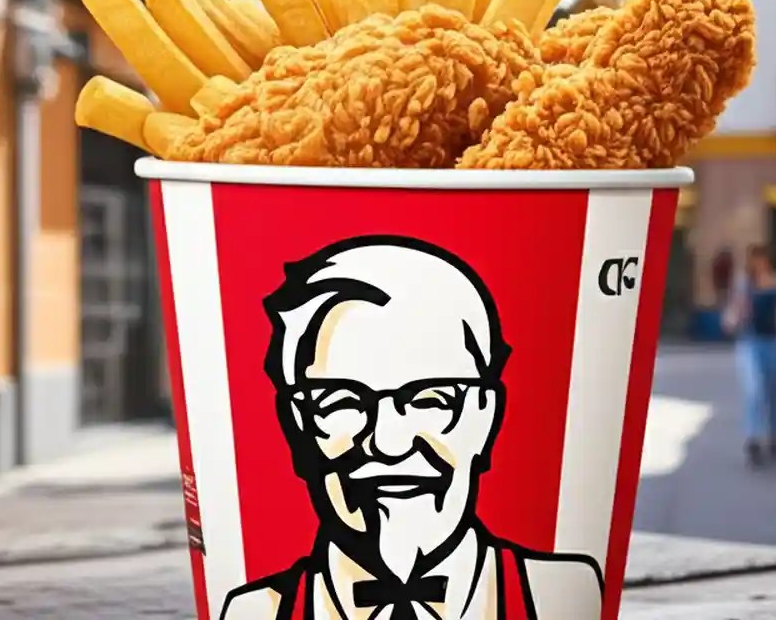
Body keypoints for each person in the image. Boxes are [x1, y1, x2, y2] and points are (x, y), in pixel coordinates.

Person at [223, 237, 603, 620]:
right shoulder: (257, 611)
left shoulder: (561, 593)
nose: (389, 442)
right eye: (342, 402)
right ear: (297, 426)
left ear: (486, 416)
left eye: (431, 399)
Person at [722, 244, 776, 468]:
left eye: (764, 258)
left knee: (774, 393)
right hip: (750, 343)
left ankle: (774, 435)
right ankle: (753, 438)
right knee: (754, 389)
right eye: (756, 259)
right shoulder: (744, 284)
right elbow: (732, 315)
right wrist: (734, 318)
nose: (760, 263)